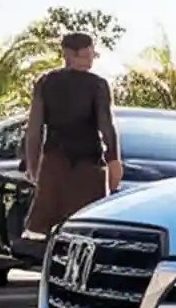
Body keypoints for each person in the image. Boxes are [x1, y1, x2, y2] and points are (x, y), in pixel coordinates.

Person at [23, 31, 122, 238]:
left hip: (56, 160)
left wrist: (34, 166)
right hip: (86, 163)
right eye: (85, 55)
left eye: (91, 55)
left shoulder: (46, 82)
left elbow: (34, 128)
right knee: (87, 224)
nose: (89, 59)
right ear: (69, 54)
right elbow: (105, 125)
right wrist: (114, 160)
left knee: (43, 226)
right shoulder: (97, 85)